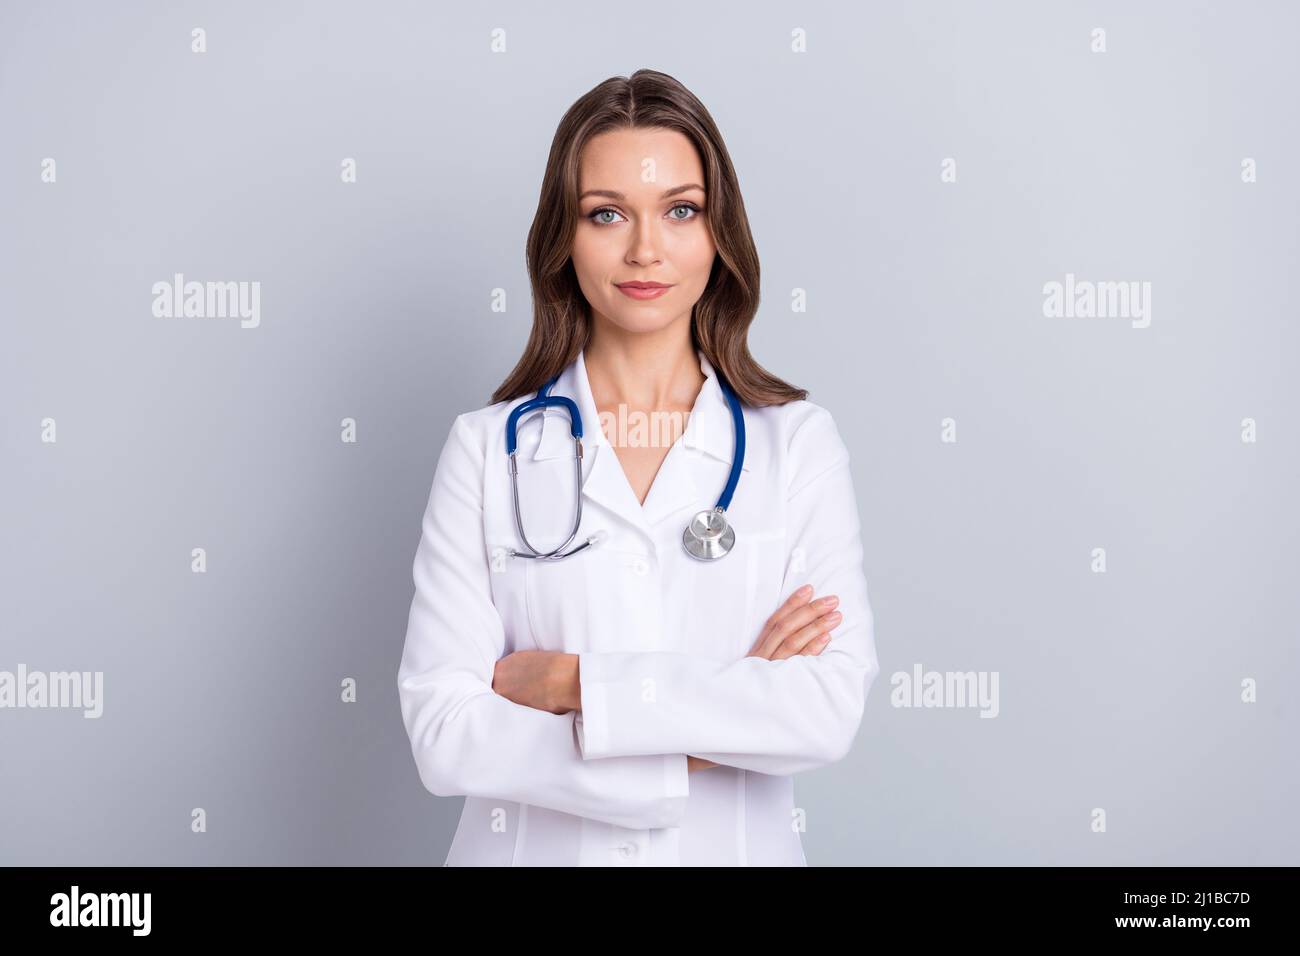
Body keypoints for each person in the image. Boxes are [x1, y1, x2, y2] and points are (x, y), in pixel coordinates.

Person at [396, 69, 879, 866]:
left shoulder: (796, 446)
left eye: (680, 210)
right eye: (606, 213)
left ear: (720, 233)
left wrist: (572, 686)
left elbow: (823, 710)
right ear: (564, 237)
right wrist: (720, 713)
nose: (646, 249)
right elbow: (446, 734)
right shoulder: (487, 450)